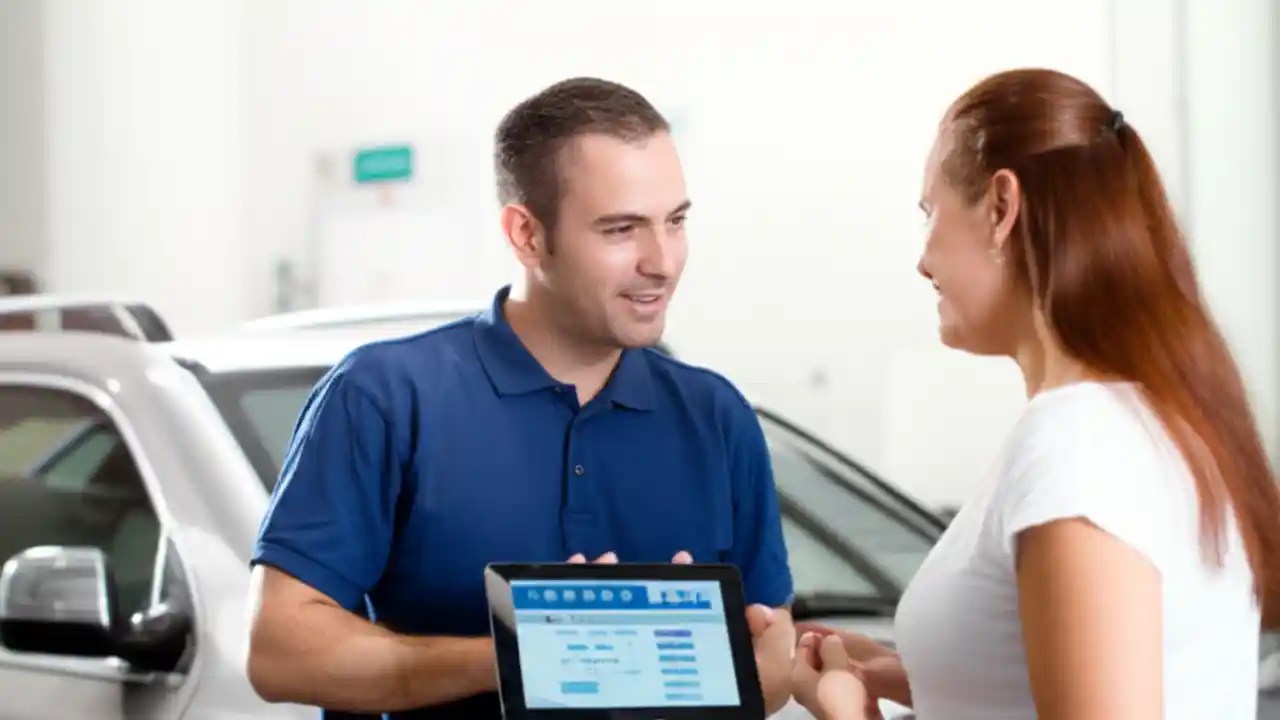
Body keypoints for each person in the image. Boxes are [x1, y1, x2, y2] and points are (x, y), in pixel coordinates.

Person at [243, 77, 796, 718]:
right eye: (622, 230)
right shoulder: (384, 397)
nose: (663, 261)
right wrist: (529, 652)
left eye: (675, 221)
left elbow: (772, 666)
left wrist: (681, 653)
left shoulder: (717, 417)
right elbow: (282, 651)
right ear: (526, 235)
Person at [793, 67, 1280, 719]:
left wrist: (845, 715)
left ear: (1001, 208)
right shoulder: (1152, 421)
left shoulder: (1076, 444)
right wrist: (922, 679)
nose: (923, 258)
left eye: (930, 213)